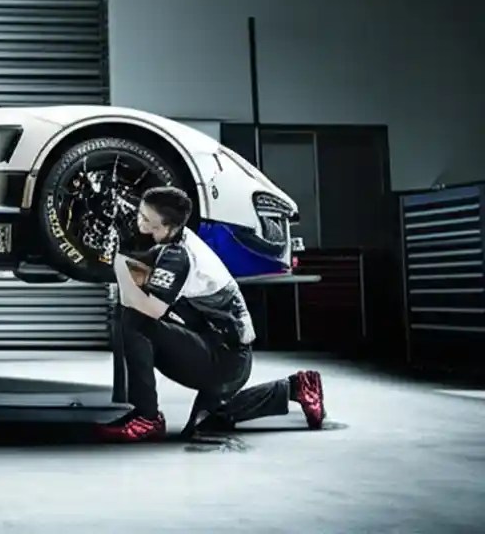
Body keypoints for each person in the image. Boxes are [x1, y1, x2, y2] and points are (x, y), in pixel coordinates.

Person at [95, 185, 326, 442]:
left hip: (224, 359)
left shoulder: (178, 256)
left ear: (169, 227)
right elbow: (142, 266)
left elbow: (148, 306)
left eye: (148, 221)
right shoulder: (179, 237)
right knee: (208, 424)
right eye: (141, 215)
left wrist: (116, 263)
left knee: (134, 319)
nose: (140, 223)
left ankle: (147, 418)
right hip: (221, 347)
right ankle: (296, 387)